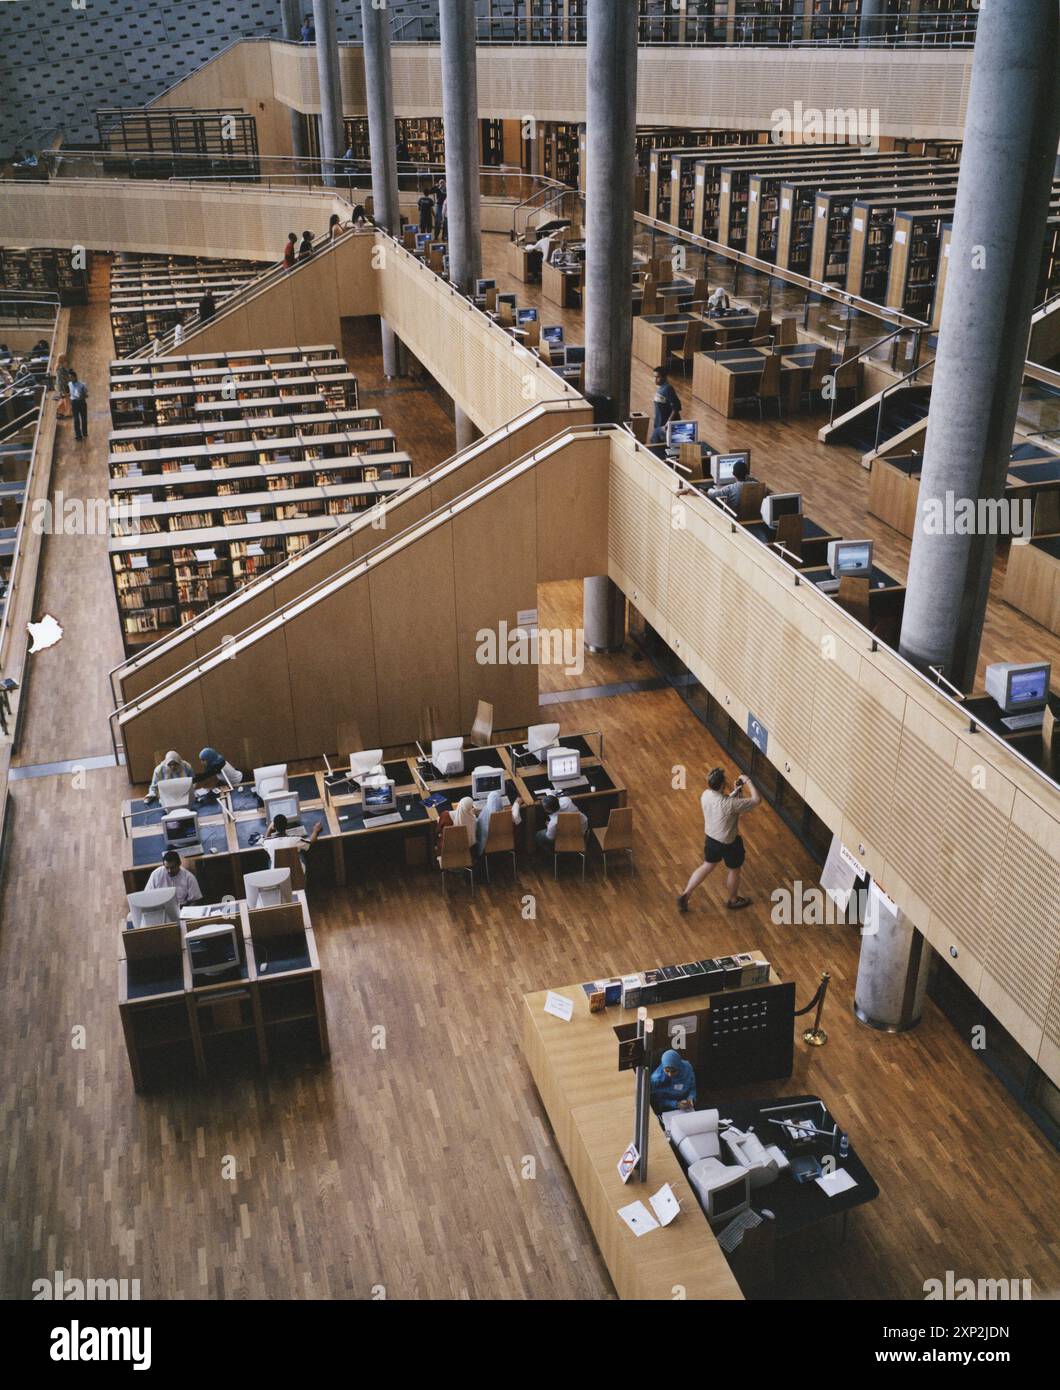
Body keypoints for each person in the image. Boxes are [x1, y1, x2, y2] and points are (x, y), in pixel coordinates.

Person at [677, 767, 761, 913]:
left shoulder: (706, 795)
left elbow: (725, 801)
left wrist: (736, 791)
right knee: (734, 870)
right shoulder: (729, 805)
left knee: (707, 866)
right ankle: (733, 900)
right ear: (722, 785)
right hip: (729, 842)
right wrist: (748, 781)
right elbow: (756, 800)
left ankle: (686, 894)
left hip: (711, 839)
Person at [474, 788, 522, 858]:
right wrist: (517, 803)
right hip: (506, 842)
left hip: (488, 844)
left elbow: (478, 827)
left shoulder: (484, 815)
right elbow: (516, 818)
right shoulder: (506, 815)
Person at [650, 366, 681, 444]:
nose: (655, 379)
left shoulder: (668, 389)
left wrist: (668, 424)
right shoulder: (660, 388)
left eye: (658, 377)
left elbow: (677, 407)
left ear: (664, 377)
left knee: (654, 442)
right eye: (654, 377)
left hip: (665, 425)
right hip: (659, 423)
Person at [69, 373, 88, 441]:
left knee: (84, 418)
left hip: (81, 402)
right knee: (76, 419)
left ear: (75, 377)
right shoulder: (69, 384)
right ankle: (78, 435)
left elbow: (86, 395)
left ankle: (84, 432)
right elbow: (70, 393)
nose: (70, 379)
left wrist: (81, 397)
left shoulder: (82, 385)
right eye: (70, 377)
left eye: (71, 377)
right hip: (74, 403)